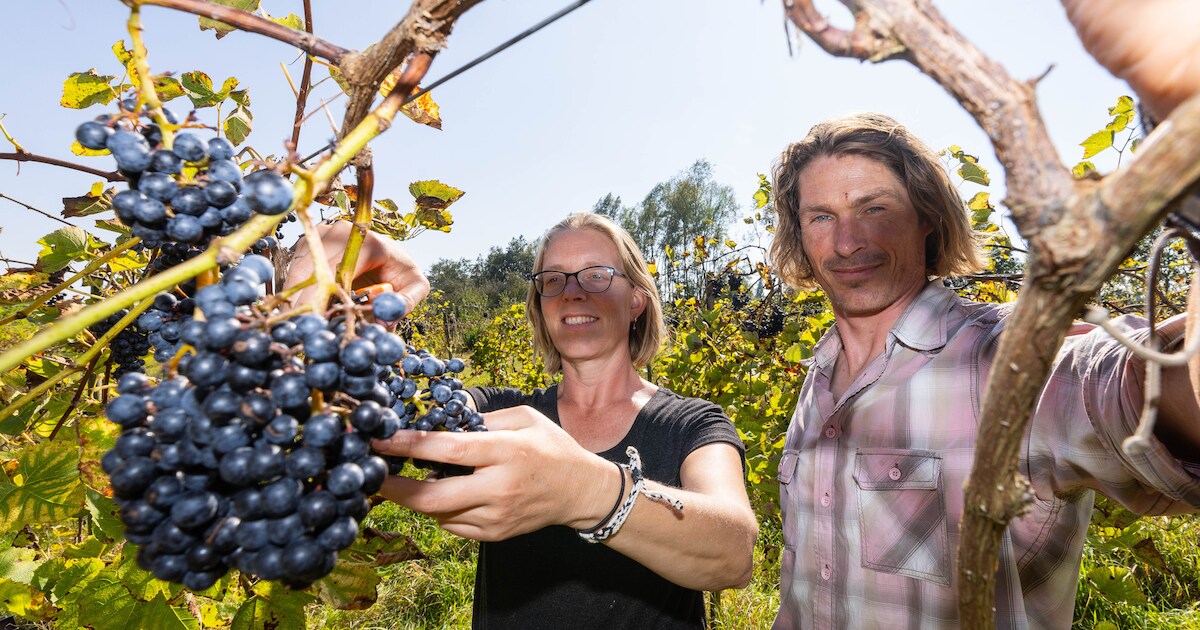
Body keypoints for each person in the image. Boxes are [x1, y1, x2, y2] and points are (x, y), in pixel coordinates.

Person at [769, 3, 1200, 627]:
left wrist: (1187, 116)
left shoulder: (1009, 359)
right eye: (820, 217)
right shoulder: (818, 379)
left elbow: (1156, 391)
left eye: (874, 208)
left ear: (928, 219)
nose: (847, 242)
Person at [303, 213, 757, 628]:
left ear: (637, 300)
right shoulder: (497, 412)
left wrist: (586, 490)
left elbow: (734, 555)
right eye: (553, 280)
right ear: (541, 306)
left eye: (597, 275)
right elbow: (386, 410)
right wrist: (329, 253)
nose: (572, 292)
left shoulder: (692, 423)